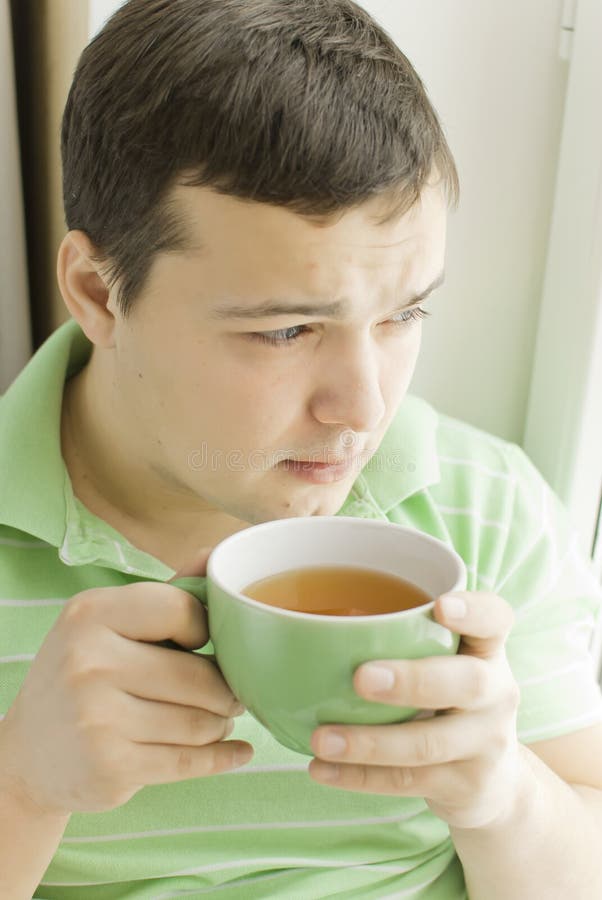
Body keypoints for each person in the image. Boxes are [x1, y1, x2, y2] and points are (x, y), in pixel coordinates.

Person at [1, 0, 602, 896]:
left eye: (404, 314)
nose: (364, 409)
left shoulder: (488, 513)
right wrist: (22, 790)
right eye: (286, 331)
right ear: (97, 292)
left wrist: (505, 799)